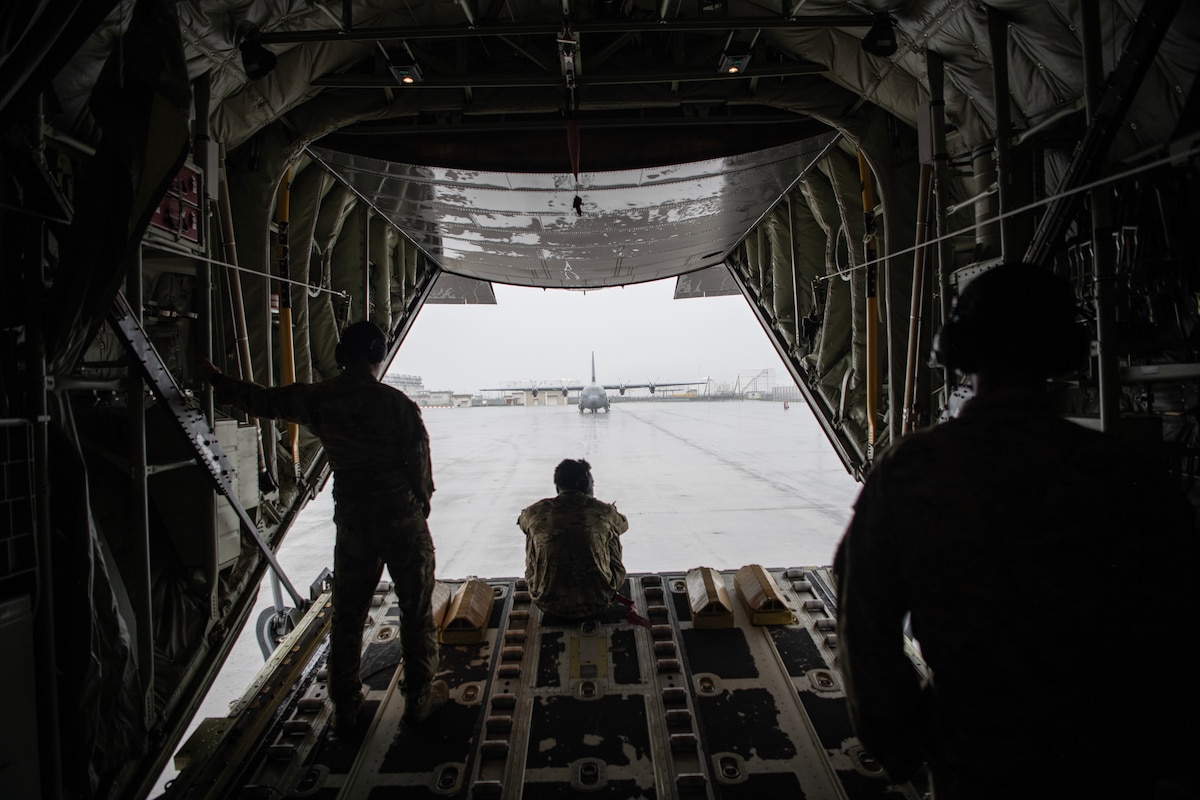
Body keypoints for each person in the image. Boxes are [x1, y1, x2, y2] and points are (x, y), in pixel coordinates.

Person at [833, 263, 1199, 799]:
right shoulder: (1123, 473)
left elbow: (862, 620)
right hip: (1106, 757)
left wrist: (901, 741)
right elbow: (1177, 623)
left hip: (973, 755)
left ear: (958, 351)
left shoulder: (914, 470)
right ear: (1063, 352)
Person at [198, 320, 447, 734]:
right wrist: (419, 505)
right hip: (401, 521)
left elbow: (263, 401)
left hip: (354, 522)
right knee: (415, 610)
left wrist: (216, 380)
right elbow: (419, 466)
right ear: (376, 353)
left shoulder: (319, 399)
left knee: (348, 614)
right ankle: (419, 699)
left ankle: (346, 706)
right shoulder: (396, 404)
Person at [518, 458, 630, 619]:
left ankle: (540, 580)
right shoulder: (602, 511)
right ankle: (603, 581)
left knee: (534, 531)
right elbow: (623, 525)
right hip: (598, 600)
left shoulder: (534, 511)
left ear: (558, 486)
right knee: (611, 531)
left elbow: (523, 523)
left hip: (547, 602)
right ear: (584, 482)